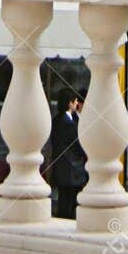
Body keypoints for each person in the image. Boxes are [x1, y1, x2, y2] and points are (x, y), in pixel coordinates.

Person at [49, 91, 87, 219]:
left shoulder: (56, 120)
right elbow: (77, 145)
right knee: (69, 204)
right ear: (69, 103)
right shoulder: (69, 123)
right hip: (71, 169)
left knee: (63, 200)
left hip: (61, 168)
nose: (77, 103)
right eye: (75, 101)